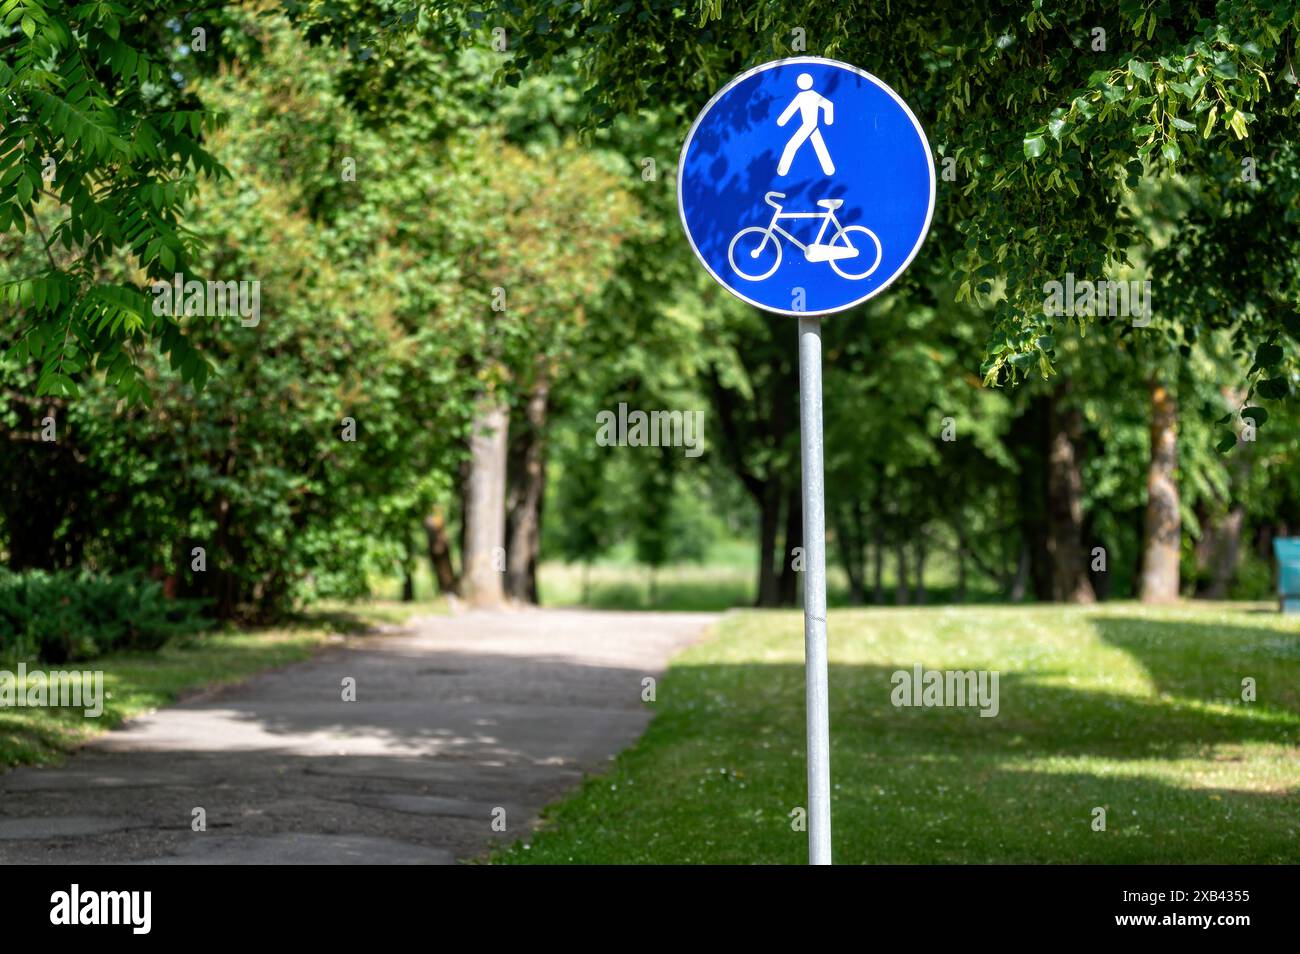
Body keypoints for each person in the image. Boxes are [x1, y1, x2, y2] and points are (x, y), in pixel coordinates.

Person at [776, 73, 835, 176]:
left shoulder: (813, 95)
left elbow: (828, 105)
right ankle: (829, 170)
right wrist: (782, 121)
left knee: (791, 145)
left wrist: (828, 120)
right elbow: (791, 109)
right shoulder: (802, 96)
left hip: (809, 125)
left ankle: (782, 171)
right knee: (819, 145)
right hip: (811, 125)